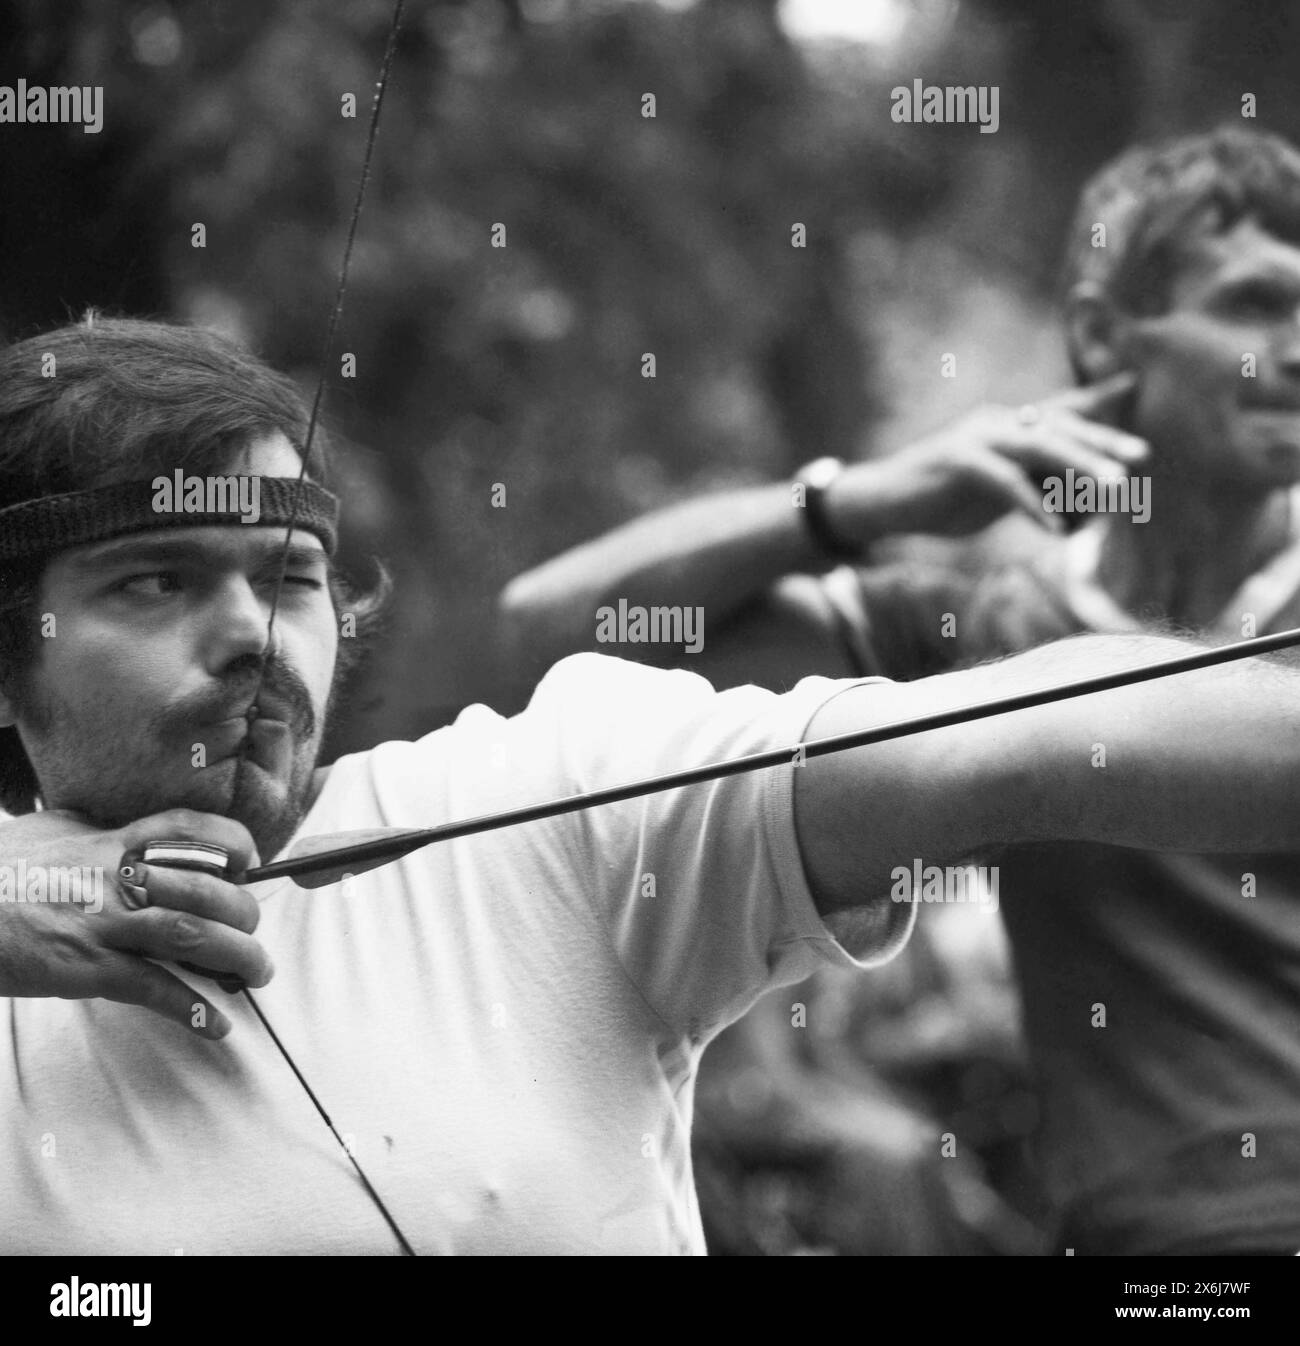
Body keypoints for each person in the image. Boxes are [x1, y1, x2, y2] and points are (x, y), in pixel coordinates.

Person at [1, 319, 1297, 1259]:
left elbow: (1019, 739)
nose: (251, 631)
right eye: (154, 579)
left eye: (287, 577)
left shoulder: (546, 798)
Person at [498, 125, 1300, 1254]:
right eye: (1257, 302)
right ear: (1102, 335)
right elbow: (553, 627)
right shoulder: (987, 631)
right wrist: (857, 503)